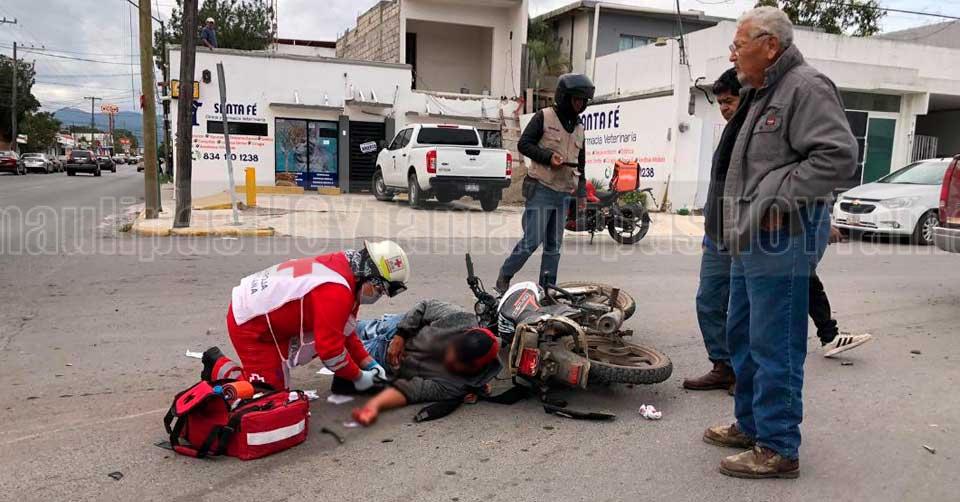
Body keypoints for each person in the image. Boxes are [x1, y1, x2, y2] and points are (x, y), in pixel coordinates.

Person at [701, 7, 858, 479]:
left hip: (781, 236)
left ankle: (778, 446)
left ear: (770, 45)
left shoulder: (806, 87)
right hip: (749, 236)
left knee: (776, 345)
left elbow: (838, 157)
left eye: (738, 43)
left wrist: (776, 202)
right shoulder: (759, 92)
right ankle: (751, 425)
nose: (733, 52)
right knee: (744, 336)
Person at [685, 69, 872, 392]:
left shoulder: (787, 112)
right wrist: (709, 231)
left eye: (729, 101)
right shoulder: (733, 134)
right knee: (709, 301)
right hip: (721, 233)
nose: (725, 108)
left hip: (758, 232)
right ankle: (724, 365)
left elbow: (824, 164)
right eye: (720, 103)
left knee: (763, 317)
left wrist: (815, 217)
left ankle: (759, 396)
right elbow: (720, 185)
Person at [200, 240, 410, 392]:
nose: (379, 295)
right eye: (380, 289)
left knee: (279, 384)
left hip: (269, 318)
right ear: (370, 274)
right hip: (250, 323)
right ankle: (219, 367)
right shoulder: (337, 292)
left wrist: (368, 363)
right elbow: (331, 352)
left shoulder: (346, 271)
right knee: (267, 394)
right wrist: (358, 377)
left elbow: (345, 331)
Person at [496, 73, 594, 292]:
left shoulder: (579, 128)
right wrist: (548, 158)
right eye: (576, 99)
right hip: (541, 188)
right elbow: (524, 145)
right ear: (565, 97)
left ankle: (547, 289)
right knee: (532, 240)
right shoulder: (544, 116)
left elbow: (581, 164)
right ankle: (505, 276)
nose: (580, 104)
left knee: (554, 246)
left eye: (583, 101)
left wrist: (581, 195)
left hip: (563, 193)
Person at [349, 300, 502, 426]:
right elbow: (424, 307)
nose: (449, 358)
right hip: (395, 327)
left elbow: (411, 390)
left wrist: (375, 405)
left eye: (456, 361)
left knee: (335, 347)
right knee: (340, 325)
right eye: (452, 349)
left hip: (382, 358)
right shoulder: (462, 319)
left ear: (473, 367)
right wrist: (401, 335)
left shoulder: (455, 386)